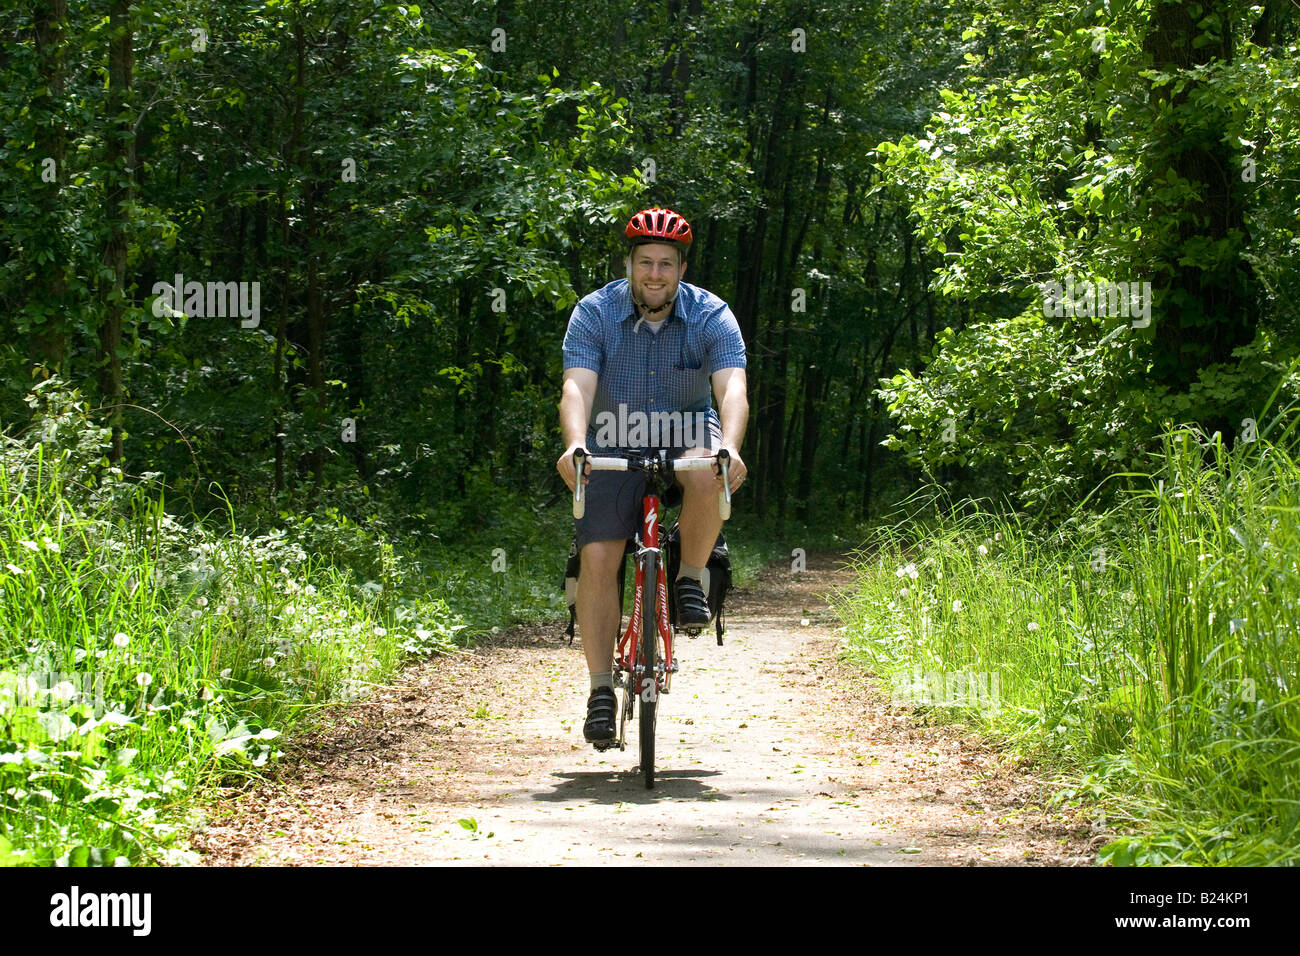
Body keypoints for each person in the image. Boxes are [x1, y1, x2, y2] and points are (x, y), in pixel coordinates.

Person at [555, 207, 749, 748]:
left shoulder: (713, 315)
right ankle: (599, 690)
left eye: (667, 264)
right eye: (646, 263)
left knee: (711, 472)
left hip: (686, 431)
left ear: (682, 269)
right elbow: (577, 388)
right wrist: (575, 443)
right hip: (613, 436)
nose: (655, 274)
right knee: (598, 556)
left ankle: (689, 578)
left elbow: (732, 388)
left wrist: (729, 447)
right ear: (629, 264)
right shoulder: (594, 313)